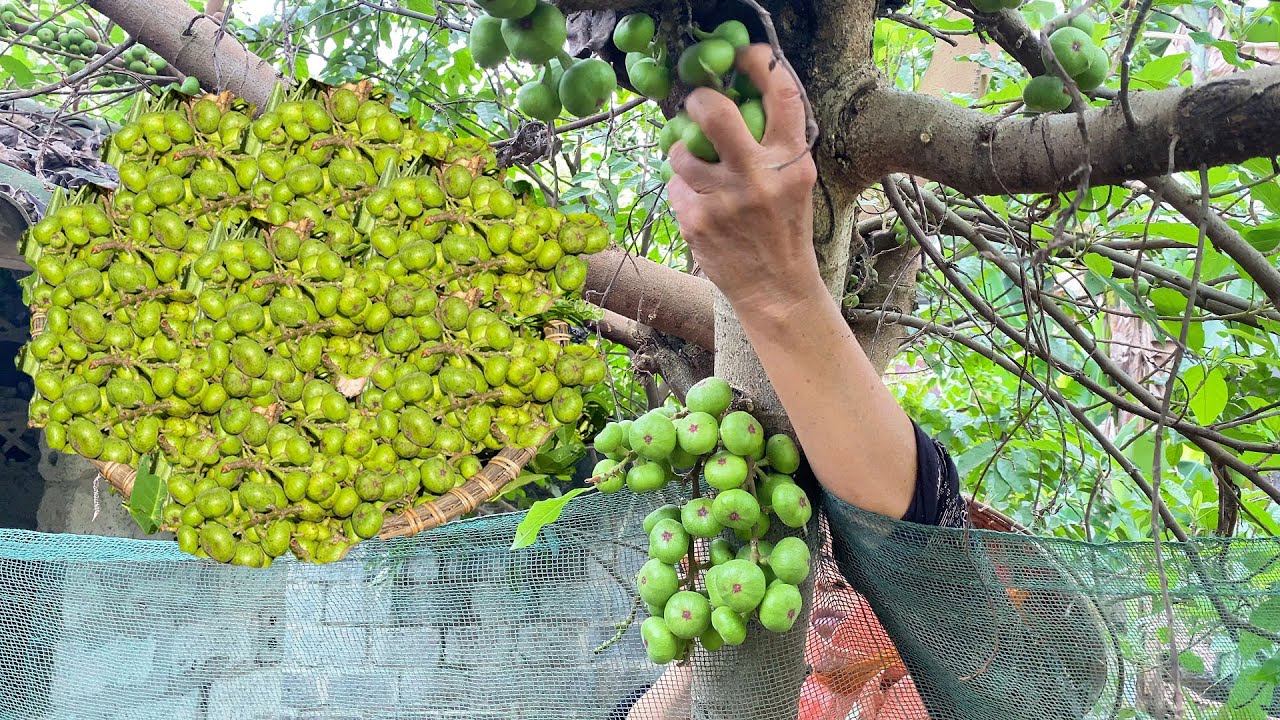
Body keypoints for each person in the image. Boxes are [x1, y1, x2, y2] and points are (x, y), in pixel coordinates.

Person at [615, 43, 1111, 720]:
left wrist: (780, 291)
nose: (827, 591)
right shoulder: (808, 690)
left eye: (850, 578)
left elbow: (931, 565)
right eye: (818, 566)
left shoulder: (935, 690)